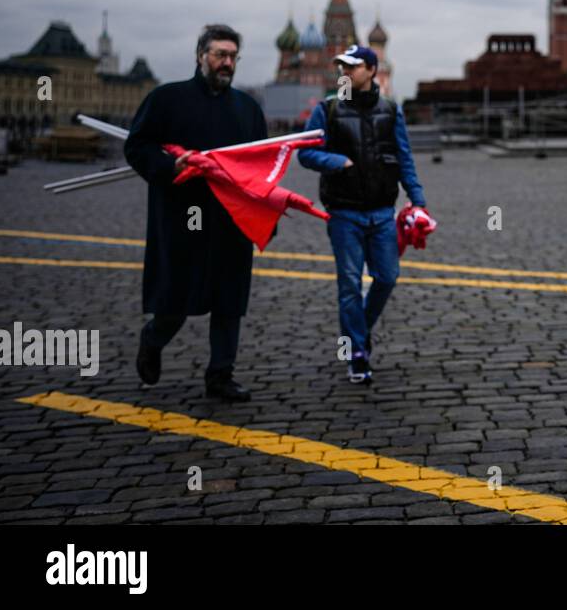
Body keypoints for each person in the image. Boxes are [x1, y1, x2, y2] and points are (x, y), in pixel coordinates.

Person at [125, 25, 265, 402]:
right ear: (200, 55)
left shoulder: (248, 109)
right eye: (220, 54)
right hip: (182, 216)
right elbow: (137, 147)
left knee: (228, 301)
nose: (227, 63)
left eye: (233, 56)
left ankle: (221, 375)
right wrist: (172, 166)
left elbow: (263, 166)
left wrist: (262, 213)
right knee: (175, 300)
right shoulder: (166, 99)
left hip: (231, 220)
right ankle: (152, 341)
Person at [297, 45, 427, 384]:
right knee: (350, 286)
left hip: (383, 211)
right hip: (343, 212)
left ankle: (359, 330)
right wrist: (335, 162)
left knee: (386, 277)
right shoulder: (327, 109)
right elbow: (306, 155)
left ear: (371, 69)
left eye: (352, 67)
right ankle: (356, 352)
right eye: (342, 66)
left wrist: (417, 199)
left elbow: (404, 157)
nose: (345, 72)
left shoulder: (391, 110)